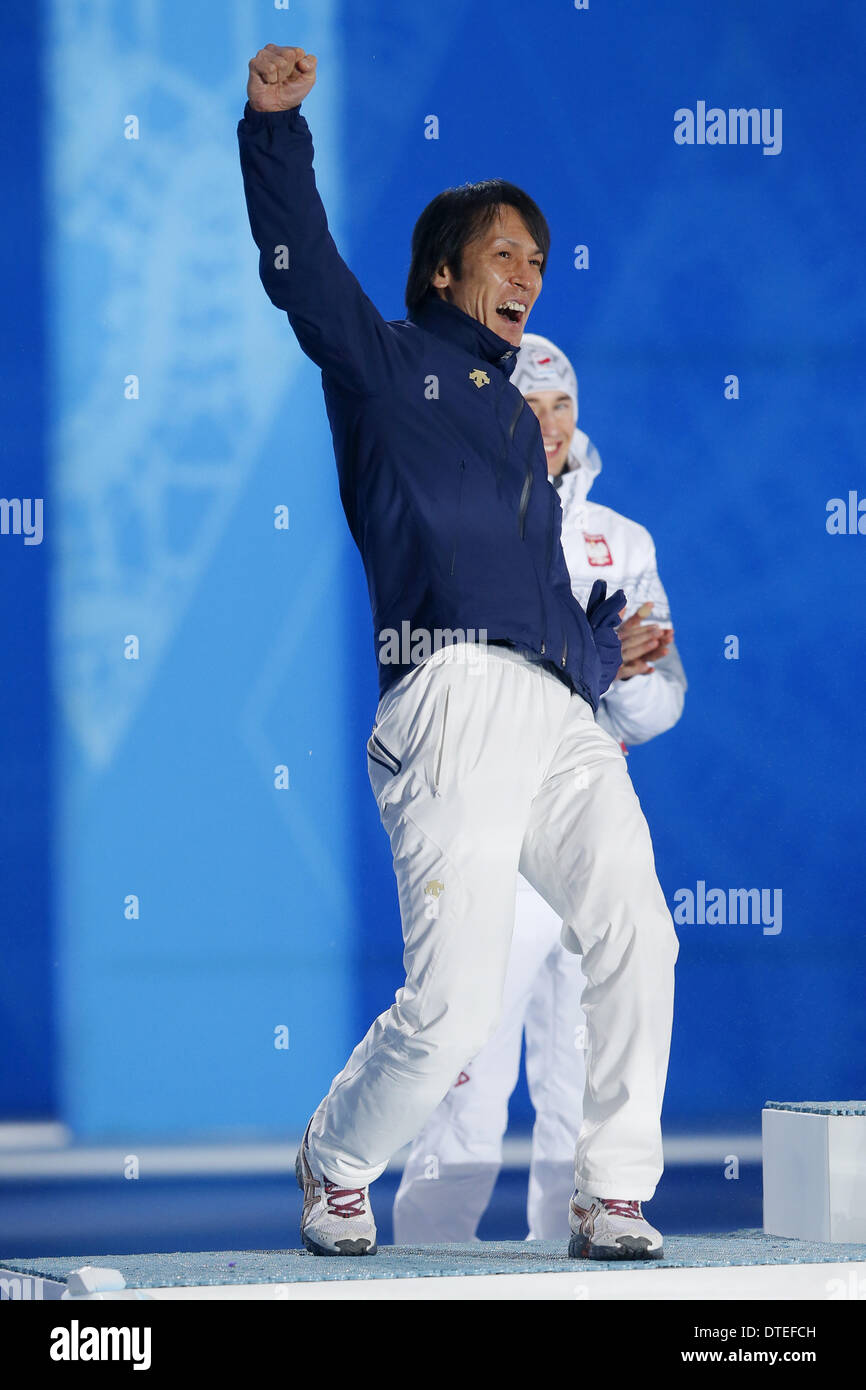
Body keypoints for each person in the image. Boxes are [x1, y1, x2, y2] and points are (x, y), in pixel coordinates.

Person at [238, 45, 679, 1260]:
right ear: (445, 271)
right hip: (446, 702)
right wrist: (273, 128)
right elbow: (301, 273)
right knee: (452, 1013)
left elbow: (535, 604)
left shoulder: (511, 418)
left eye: (538, 261)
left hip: (555, 715)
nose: (527, 276)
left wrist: (600, 646)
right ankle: (336, 1158)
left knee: (639, 926)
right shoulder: (386, 367)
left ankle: (610, 1188)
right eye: (504, 255)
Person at [392, 335, 687, 1242]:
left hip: (592, 822)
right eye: (529, 407)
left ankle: (582, 1246)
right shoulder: (462, 519)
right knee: (468, 1076)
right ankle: (426, 1268)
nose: (550, 426)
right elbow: (452, 675)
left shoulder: (622, 540)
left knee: (582, 1075)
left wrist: (623, 677)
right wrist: (591, 660)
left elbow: (661, 702)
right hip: (494, 832)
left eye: (562, 406)